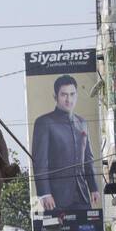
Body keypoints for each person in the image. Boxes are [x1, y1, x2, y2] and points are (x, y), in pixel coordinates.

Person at [30, 74, 101, 213]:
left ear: (76, 96)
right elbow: (40, 161)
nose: (68, 99)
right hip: (55, 197)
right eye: (64, 95)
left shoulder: (82, 123)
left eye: (72, 94)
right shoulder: (44, 122)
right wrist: (45, 193)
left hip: (82, 196)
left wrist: (93, 188)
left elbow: (88, 159)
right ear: (55, 96)